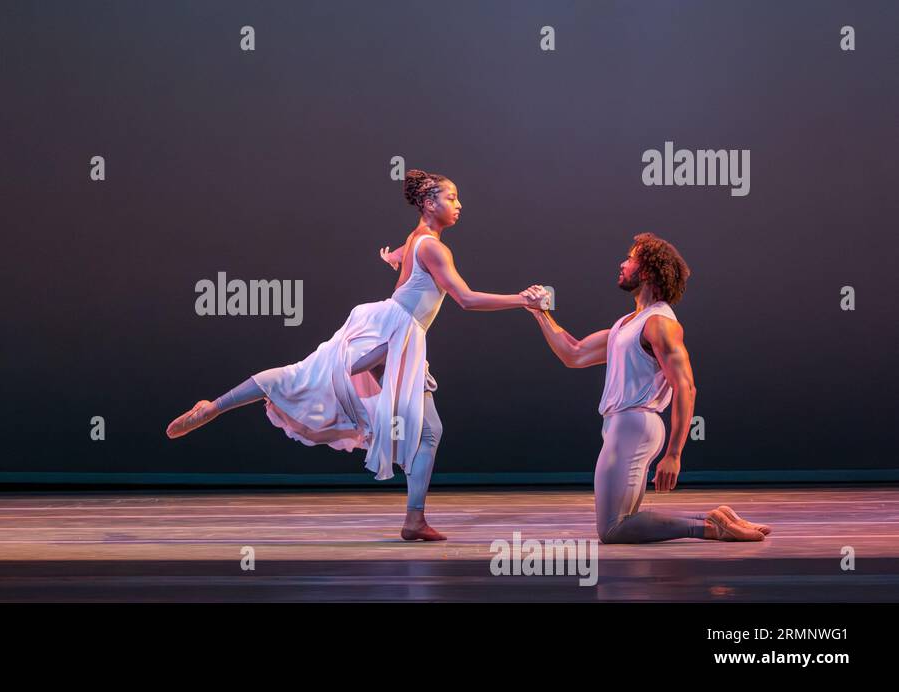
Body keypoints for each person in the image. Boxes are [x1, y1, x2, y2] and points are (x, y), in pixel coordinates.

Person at [166, 170, 546, 540]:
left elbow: (409, 255)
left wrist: (395, 256)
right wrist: (522, 300)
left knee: (422, 429)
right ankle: (213, 407)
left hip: (392, 335)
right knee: (315, 381)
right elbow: (465, 298)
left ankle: (414, 520)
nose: (459, 204)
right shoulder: (432, 245)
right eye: (451, 197)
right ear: (429, 204)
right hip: (391, 334)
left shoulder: (419, 239)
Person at [525, 233, 770, 542]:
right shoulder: (628, 324)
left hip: (633, 425)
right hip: (624, 426)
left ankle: (709, 528)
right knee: (624, 521)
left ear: (648, 271)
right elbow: (573, 353)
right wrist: (539, 313)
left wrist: (674, 454)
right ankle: (715, 519)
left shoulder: (660, 323)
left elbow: (686, 388)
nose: (622, 263)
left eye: (630, 258)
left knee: (613, 529)